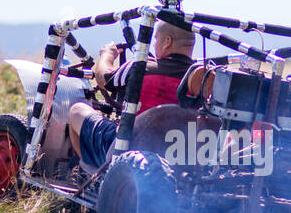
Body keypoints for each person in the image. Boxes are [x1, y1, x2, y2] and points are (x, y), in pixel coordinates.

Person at [67, 19, 195, 171]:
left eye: (156, 39)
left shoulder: (141, 67)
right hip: (182, 156)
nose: (153, 45)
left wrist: (107, 55)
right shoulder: (204, 78)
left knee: (77, 111)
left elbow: (103, 77)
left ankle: (95, 175)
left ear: (167, 41)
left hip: (129, 151)